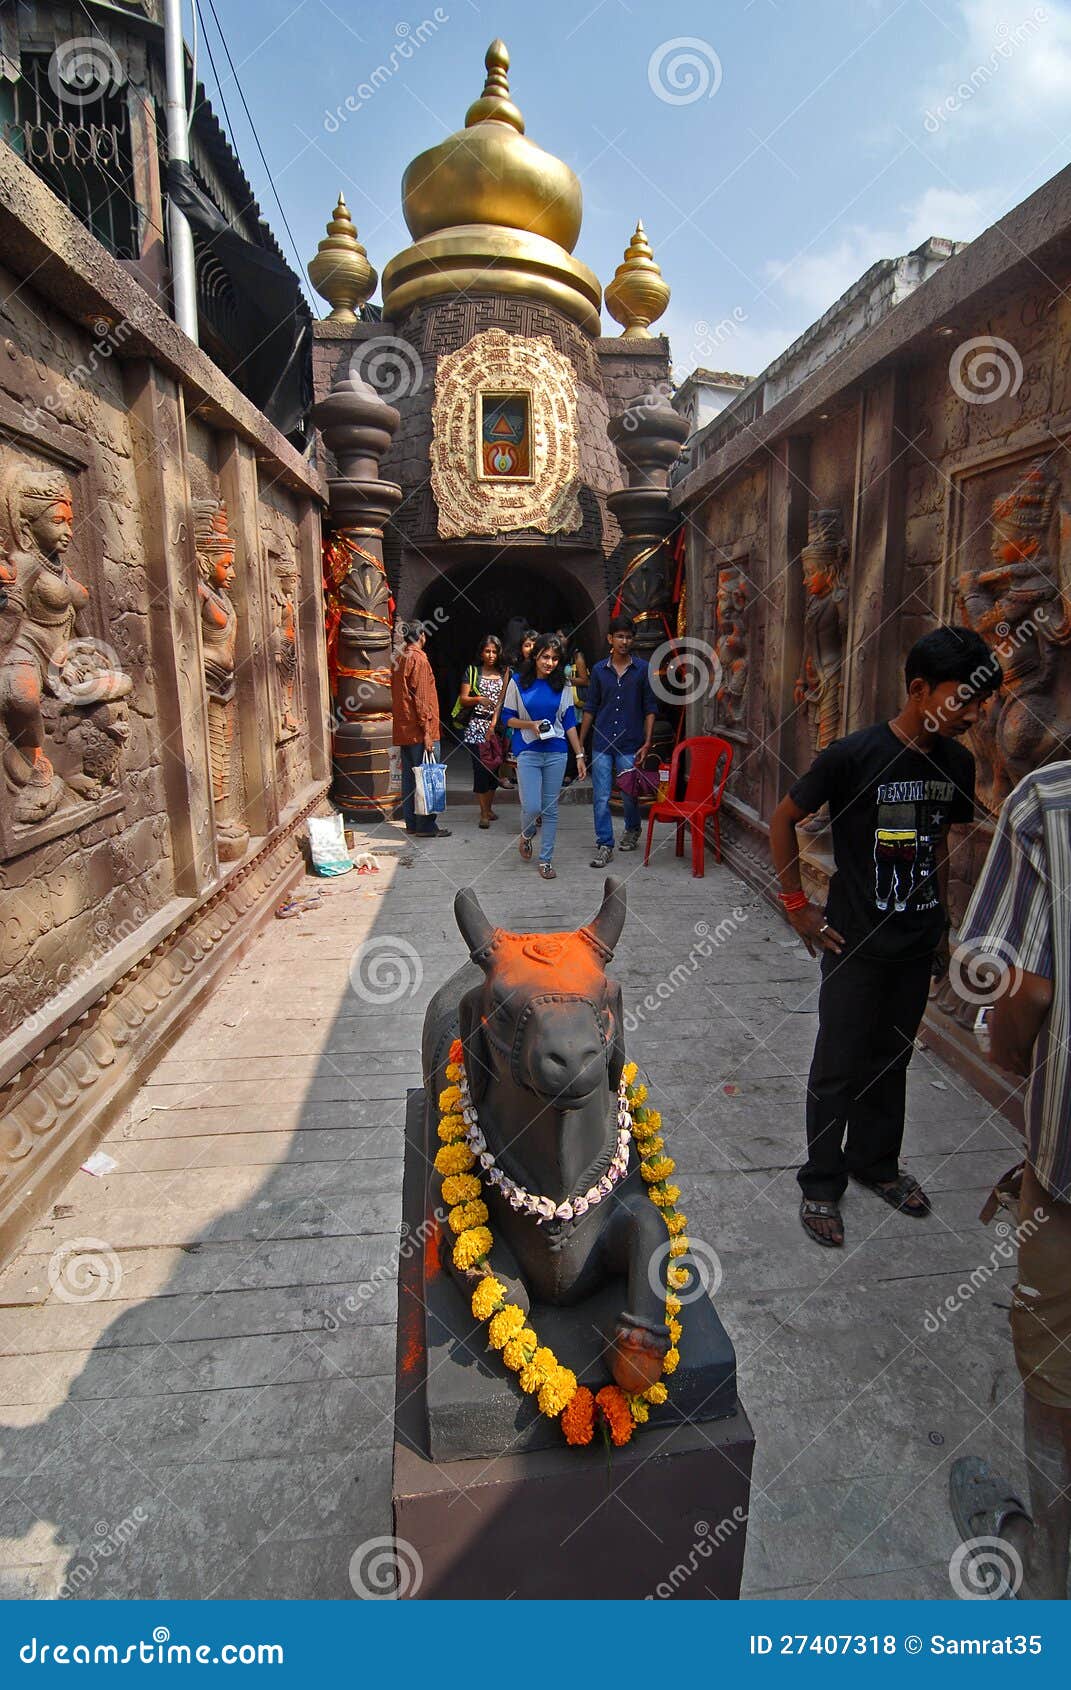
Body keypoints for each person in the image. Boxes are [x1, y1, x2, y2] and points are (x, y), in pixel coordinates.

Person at [769, 625, 1001, 1247]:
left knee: (890, 1061)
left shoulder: (956, 762)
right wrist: (797, 906)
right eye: (965, 699)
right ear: (921, 689)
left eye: (982, 703)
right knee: (838, 1064)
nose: (974, 715)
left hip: (915, 940)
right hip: (853, 941)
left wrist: (942, 928)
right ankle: (821, 1182)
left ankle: (876, 1165)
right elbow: (785, 817)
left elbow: (941, 844)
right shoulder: (854, 755)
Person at [947, 760, 1071, 1601]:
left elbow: (1019, 990)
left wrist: (1014, 1052)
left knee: (1056, 1360)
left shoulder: (1051, 803)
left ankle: (1054, 1574)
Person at [500, 634, 586, 880]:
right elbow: (507, 718)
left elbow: (569, 721)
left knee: (550, 809)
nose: (550, 663)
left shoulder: (564, 684)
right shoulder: (518, 681)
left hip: (557, 751)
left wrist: (579, 754)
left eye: (555, 659)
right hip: (527, 750)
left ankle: (545, 860)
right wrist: (531, 725)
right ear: (535, 655)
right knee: (532, 806)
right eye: (545, 656)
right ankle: (527, 835)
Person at [580, 615, 657, 867]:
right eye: (620, 636)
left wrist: (647, 742)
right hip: (602, 742)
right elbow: (590, 707)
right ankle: (604, 843)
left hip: (630, 742)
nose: (625, 641)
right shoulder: (600, 670)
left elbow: (649, 708)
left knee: (628, 793)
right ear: (610, 639)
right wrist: (580, 742)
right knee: (601, 796)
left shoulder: (642, 670)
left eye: (628, 637)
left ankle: (632, 828)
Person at [390, 621, 451, 840]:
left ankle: (412, 823)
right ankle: (426, 825)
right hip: (420, 730)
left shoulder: (399, 658)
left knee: (409, 779)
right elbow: (422, 700)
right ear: (422, 636)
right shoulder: (419, 659)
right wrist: (427, 732)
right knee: (428, 777)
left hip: (405, 730)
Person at [457, 635, 510, 829]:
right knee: (480, 769)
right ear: (481, 652)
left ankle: (489, 808)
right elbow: (463, 699)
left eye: (494, 651)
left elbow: (502, 701)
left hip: (495, 729)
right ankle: (483, 813)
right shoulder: (472, 671)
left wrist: (493, 725)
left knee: (494, 769)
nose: (491, 655)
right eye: (487, 651)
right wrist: (479, 699)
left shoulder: (504, 673)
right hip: (474, 728)